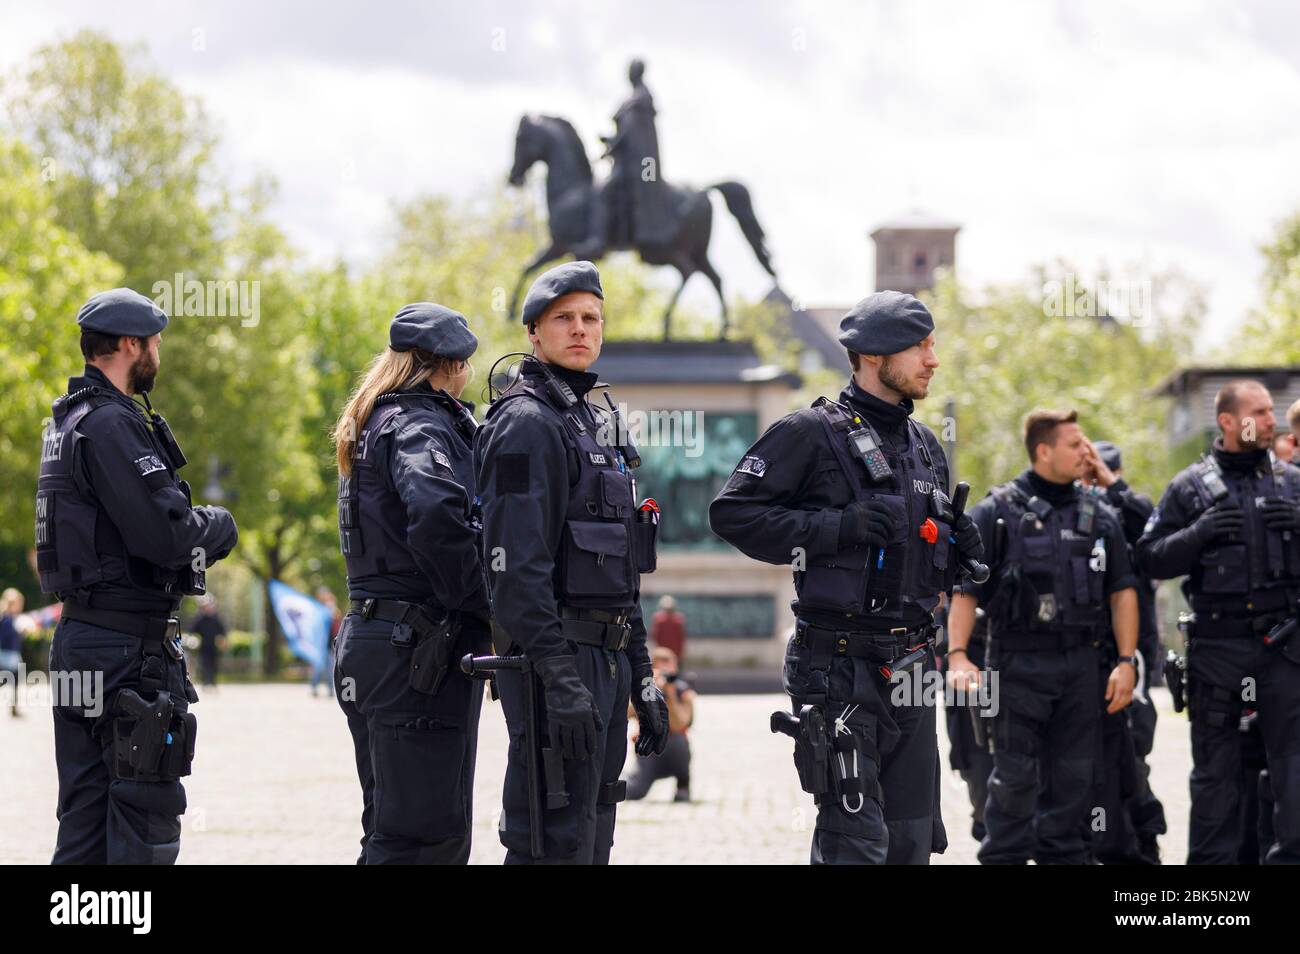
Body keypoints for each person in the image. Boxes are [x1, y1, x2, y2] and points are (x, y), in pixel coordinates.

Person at [710, 290, 984, 865]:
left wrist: (957, 548)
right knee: (854, 846)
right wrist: (839, 526)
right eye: (920, 347)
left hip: (912, 667)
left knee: (912, 842)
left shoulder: (925, 446)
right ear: (874, 356)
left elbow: (923, 539)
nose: (933, 360)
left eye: (932, 345)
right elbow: (733, 514)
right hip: (838, 671)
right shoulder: (810, 432)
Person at [475, 261, 669, 864]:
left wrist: (642, 673)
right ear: (534, 331)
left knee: (590, 837)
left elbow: (621, 571)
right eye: (564, 318)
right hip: (552, 658)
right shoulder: (526, 423)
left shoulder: (592, 421)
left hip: (605, 660)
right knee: (550, 839)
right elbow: (514, 566)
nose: (580, 329)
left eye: (591, 318)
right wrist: (557, 675)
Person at [38, 288, 238, 865]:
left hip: (81, 641)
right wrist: (219, 527)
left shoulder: (66, 421)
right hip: (126, 651)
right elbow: (165, 537)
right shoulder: (111, 424)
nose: (158, 354)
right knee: (141, 824)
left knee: (83, 827)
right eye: (155, 344)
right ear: (132, 345)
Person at [331, 302, 491, 865]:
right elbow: (438, 517)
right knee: (426, 840)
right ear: (450, 365)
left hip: (377, 641)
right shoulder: (422, 424)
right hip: (417, 653)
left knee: (392, 833)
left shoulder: (373, 420)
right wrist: (485, 607)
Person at [947, 409, 1138, 865]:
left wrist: (1127, 662)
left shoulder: (1100, 516)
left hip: (1080, 667)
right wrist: (957, 655)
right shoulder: (996, 513)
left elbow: (1122, 592)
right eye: (1074, 444)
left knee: (1074, 787)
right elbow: (965, 591)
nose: (1085, 452)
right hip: (1015, 667)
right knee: (1013, 786)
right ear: (1043, 450)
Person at [1138, 379, 1300, 865]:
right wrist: (1198, 533)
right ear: (1227, 421)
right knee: (1214, 775)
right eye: (1260, 411)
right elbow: (1149, 558)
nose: (1272, 420)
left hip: (1284, 648)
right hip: (1217, 651)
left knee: (1293, 770)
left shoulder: (1293, 482)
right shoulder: (1190, 487)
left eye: (1273, 411)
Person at [1083, 440, 1167, 864]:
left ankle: (1141, 848)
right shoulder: (1072, 516)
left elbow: (1156, 527)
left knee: (1133, 760)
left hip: (1129, 664)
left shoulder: (1127, 516)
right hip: (1082, 665)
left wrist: (1113, 484)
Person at [600, 59, 674, 248]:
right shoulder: (632, 99)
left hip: (643, 164)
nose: (629, 74)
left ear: (638, 73)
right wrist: (611, 142)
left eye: (632, 71)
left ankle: (603, 238)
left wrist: (612, 146)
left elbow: (630, 132)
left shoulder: (640, 98)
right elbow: (626, 132)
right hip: (631, 160)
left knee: (607, 190)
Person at [625, 646, 695, 802]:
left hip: (675, 751)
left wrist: (669, 694)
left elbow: (679, 725)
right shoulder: (644, 688)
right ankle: (623, 778)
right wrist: (646, 693)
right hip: (650, 754)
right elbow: (625, 714)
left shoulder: (683, 693)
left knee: (679, 741)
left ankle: (683, 784)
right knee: (635, 792)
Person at [187, 595, 227, 688]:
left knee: (214, 664)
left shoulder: (216, 619)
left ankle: (213, 682)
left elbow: (222, 631)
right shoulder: (200, 619)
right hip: (204, 645)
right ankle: (205, 682)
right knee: (205, 664)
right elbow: (192, 630)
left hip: (214, 645)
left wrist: (223, 641)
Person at [312, 587, 342, 698]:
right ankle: (314, 687)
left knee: (330, 668)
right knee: (318, 668)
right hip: (320, 643)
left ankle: (330, 690)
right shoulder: (318, 610)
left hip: (330, 643)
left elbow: (337, 622)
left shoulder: (332, 610)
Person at [1, 588, 25, 717]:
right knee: (7, 680)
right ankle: (14, 708)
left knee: (15, 682)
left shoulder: (13, 618)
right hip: (6, 656)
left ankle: (14, 708)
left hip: (13, 655)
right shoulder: (6, 619)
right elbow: (5, 637)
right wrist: (18, 632)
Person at [650, 594, 687, 662]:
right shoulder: (679, 619)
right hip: (675, 653)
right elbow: (681, 637)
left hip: (662, 653)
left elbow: (655, 636)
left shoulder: (658, 619)